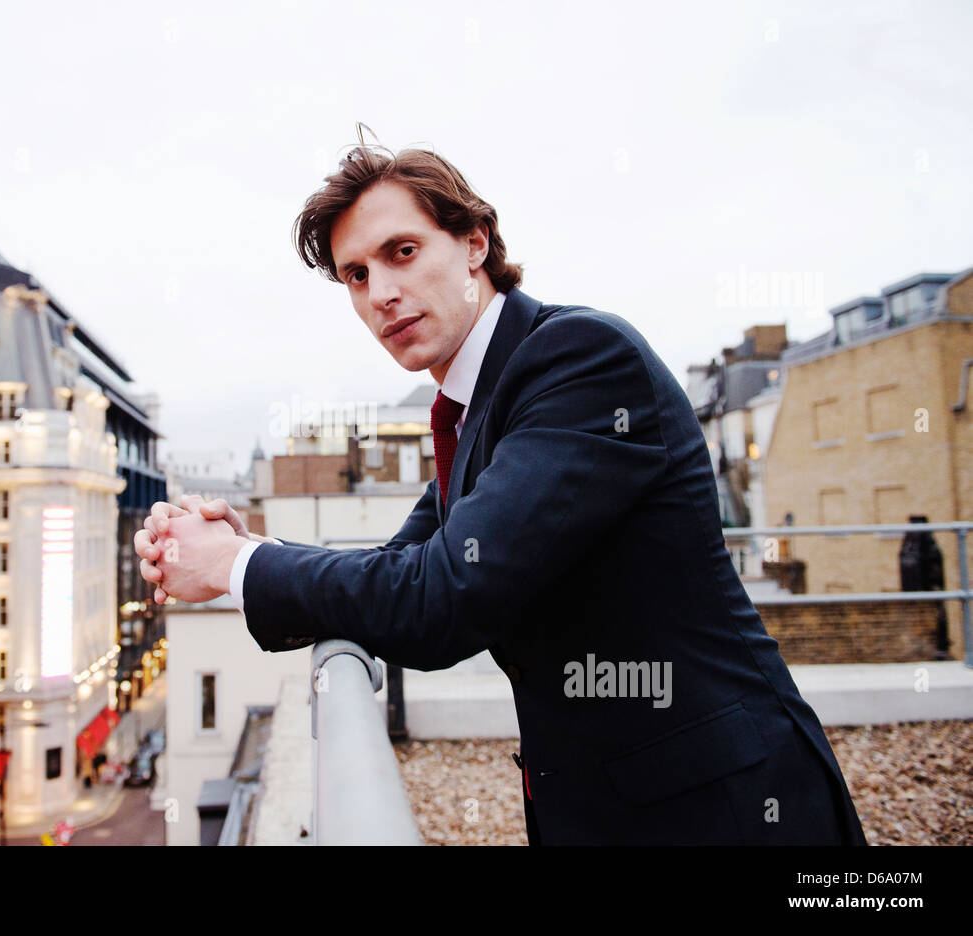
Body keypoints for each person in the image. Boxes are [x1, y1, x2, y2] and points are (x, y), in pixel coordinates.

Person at [134, 131, 867, 846]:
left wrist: (229, 567)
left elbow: (442, 598)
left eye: (403, 252)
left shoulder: (579, 361)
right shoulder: (473, 404)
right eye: (357, 275)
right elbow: (401, 569)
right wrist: (241, 546)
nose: (382, 293)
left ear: (476, 243)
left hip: (727, 806)